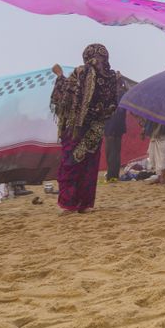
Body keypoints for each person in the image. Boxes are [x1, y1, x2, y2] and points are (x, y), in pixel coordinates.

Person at [50, 44, 121, 214]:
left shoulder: (82, 72)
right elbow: (113, 105)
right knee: (89, 165)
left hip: (76, 128)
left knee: (71, 163)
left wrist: (59, 76)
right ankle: (84, 204)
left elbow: (65, 96)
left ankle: (69, 204)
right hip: (96, 129)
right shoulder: (113, 77)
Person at [142, 119, 165, 185]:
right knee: (153, 156)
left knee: (163, 156)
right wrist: (144, 130)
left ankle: (162, 177)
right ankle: (159, 176)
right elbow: (149, 119)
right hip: (154, 135)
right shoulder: (154, 113)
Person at [103, 101, 128, 182]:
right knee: (116, 152)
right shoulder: (123, 96)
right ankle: (114, 175)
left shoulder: (111, 97)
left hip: (111, 126)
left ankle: (111, 176)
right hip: (118, 127)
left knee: (111, 152)